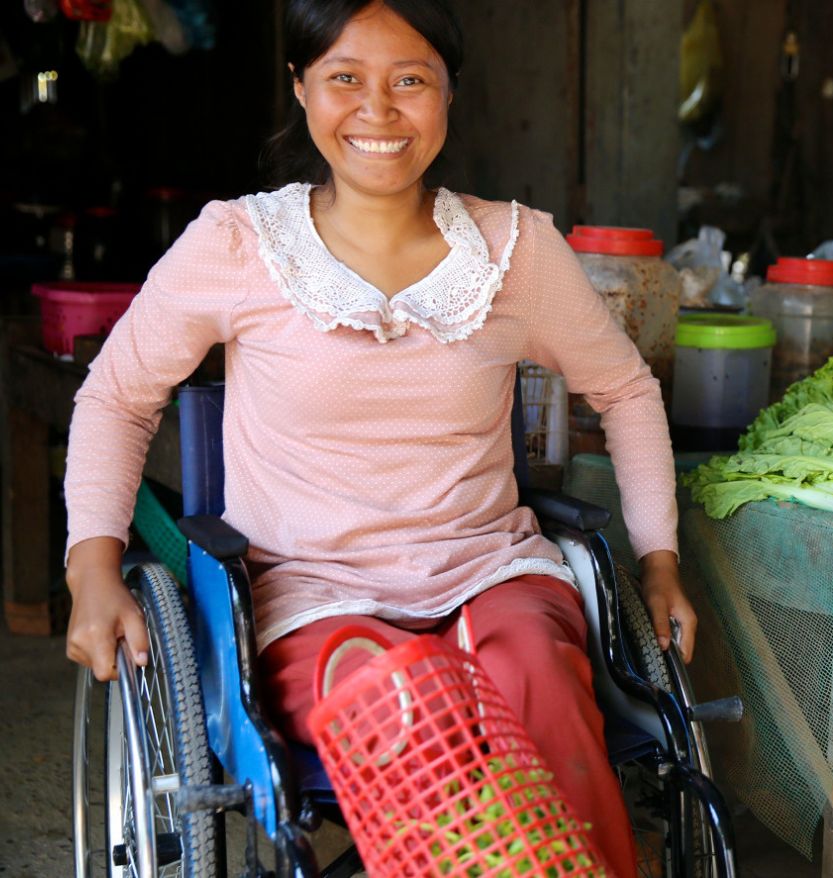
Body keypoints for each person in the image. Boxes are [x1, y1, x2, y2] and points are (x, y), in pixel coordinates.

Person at [60, 1, 688, 872]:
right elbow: (118, 395)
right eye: (345, 78)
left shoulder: (516, 250)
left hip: (490, 573)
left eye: (411, 81)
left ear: (448, 95)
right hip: (313, 597)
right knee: (398, 710)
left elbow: (624, 387)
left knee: (539, 686)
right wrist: (90, 566)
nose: (378, 109)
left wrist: (658, 563)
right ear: (302, 88)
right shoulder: (239, 244)